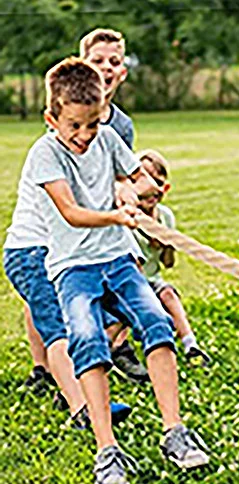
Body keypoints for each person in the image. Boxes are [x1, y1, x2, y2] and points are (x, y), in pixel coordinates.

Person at [24, 57, 210, 484]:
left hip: (119, 260)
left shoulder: (107, 138)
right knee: (87, 339)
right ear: (52, 118)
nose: (85, 136)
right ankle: (107, 450)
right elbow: (69, 212)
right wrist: (117, 215)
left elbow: (131, 177)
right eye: (75, 126)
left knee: (156, 322)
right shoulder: (45, 154)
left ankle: (175, 433)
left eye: (92, 124)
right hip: (73, 268)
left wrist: (132, 190)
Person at [20, 27, 149, 391]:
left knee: (128, 264)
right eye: (98, 61)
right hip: (53, 218)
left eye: (114, 62)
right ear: (84, 65)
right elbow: (64, 190)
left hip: (97, 220)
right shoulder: (65, 108)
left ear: (122, 71)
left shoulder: (119, 125)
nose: (106, 68)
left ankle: (116, 345)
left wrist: (128, 193)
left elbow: (121, 173)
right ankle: (44, 367)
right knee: (45, 290)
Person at [133, 149, 210, 364]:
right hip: (130, 281)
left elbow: (168, 264)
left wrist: (167, 245)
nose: (152, 188)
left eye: (158, 182)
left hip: (153, 281)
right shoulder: (127, 215)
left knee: (168, 294)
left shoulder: (165, 216)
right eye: (145, 180)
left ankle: (190, 345)